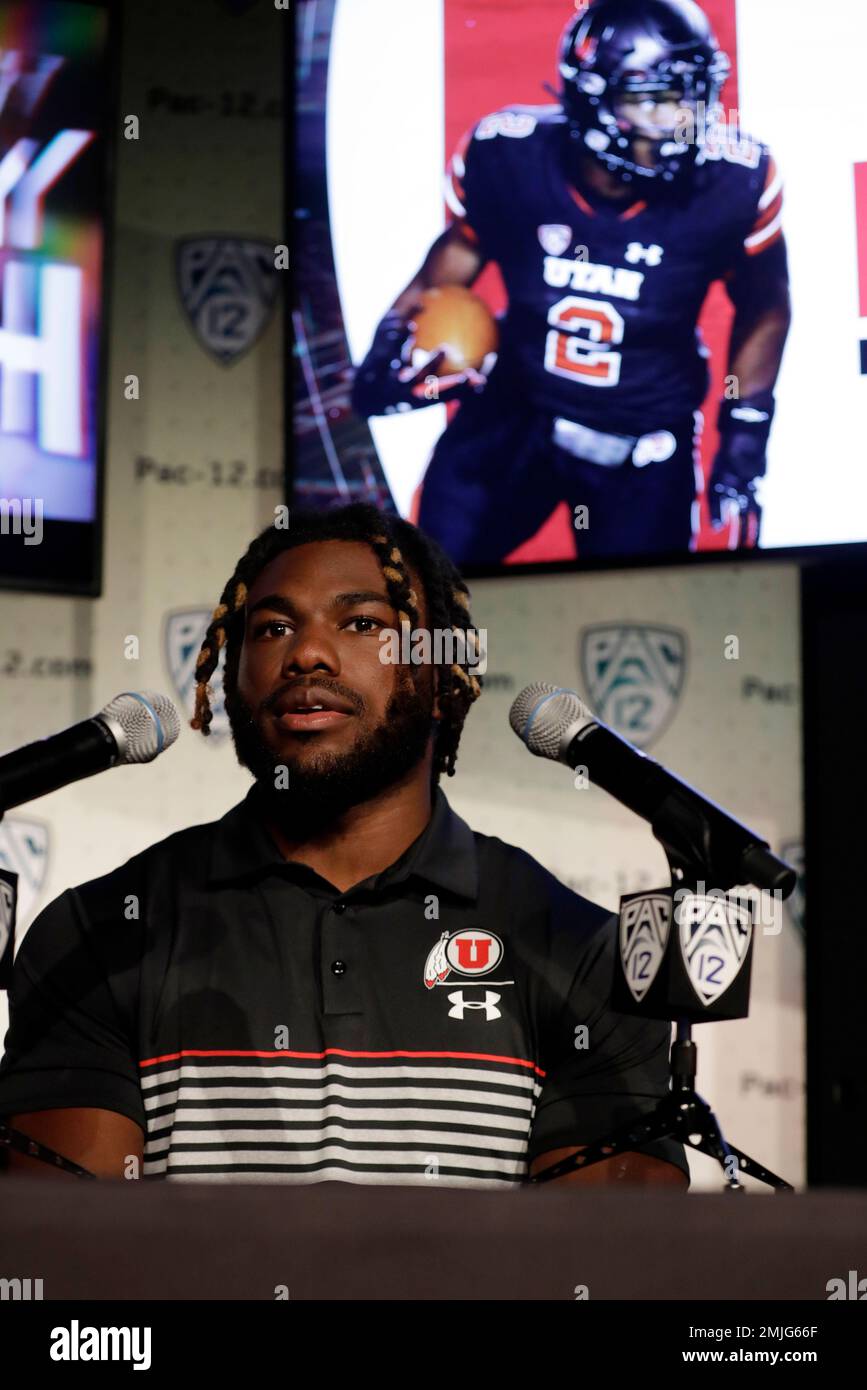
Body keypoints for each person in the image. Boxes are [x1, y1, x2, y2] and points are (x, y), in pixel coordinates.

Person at [0, 504, 687, 1187]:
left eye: (362, 624)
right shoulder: (99, 933)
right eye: (272, 627)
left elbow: (602, 1267)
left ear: (443, 680)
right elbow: (73, 1249)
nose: (305, 654)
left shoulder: (575, 946)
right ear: (232, 679)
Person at [351, 0, 790, 564]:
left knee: (637, 622)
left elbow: (766, 304)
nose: (681, 120)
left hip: (642, 439)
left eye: (688, 95)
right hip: (516, 410)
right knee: (427, 583)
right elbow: (454, 259)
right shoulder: (508, 153)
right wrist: (396, 337)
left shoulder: (734, 180)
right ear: (592, 97)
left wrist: (747, 430)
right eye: (652, 99)